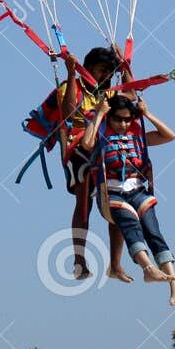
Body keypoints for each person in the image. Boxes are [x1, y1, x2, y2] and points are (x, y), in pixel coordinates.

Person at [98, 92, 175, 306]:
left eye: (128, 119)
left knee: (153, 231)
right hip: (113, 192)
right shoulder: (101, 137)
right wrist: (98, 115)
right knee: (131, 226)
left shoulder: (138, 137)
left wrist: (147, 114)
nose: (123, 124)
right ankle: (148, 269)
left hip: (138, 190)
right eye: (118, 119)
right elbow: (88, 143)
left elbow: (169, 135)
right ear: (110, 118)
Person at [56, 46, 132, 284]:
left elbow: (131, 97)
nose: (106, 76)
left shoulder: (109, 95)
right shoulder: (72, 87)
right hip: (78, 148)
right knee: (84, 200)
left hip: (105, 150)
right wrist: (70, 73)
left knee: (117, 199)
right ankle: (79, 260)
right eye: (101, 71)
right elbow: (68, 114)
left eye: (110, 72)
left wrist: (125, 65)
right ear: (87, 69)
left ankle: (116, 264)